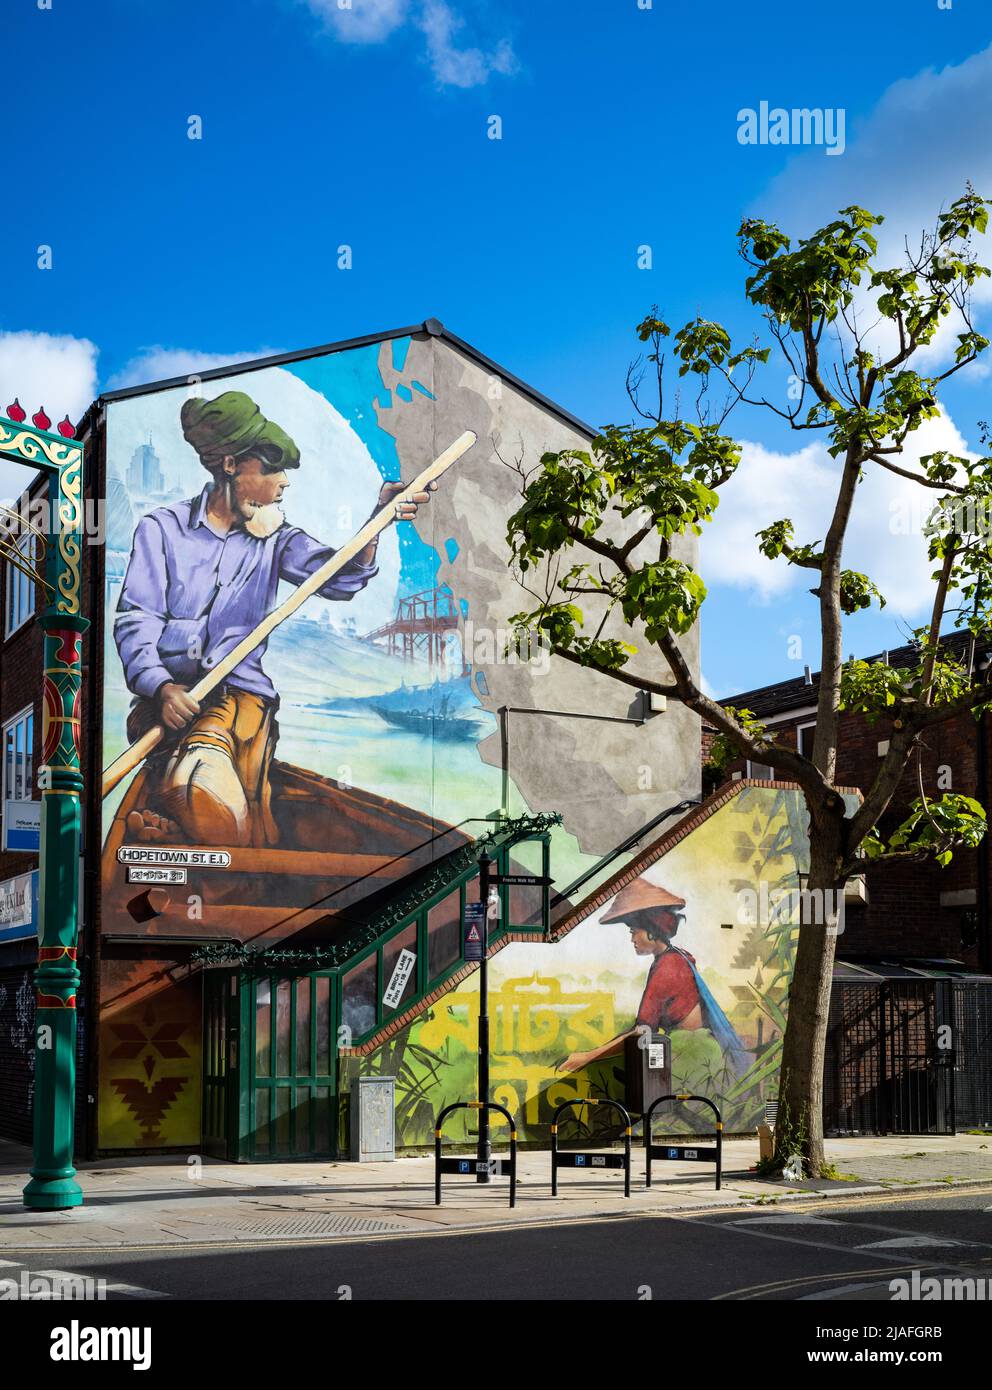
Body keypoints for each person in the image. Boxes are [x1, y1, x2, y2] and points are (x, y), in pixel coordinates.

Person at [114, 390, 434, 848]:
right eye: (270, 469)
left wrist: (377, 522)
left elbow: (338, 578)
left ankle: (198, 805)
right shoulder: (160, 530)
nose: (283, 483)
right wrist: (161, 687)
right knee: (199, 790)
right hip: (165, 709)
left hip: (239, 706)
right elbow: (136, 620)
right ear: (230, 465)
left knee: (203, 784)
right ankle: (197, 814)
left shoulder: (276, 538)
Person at [557, 879, 748, 1073]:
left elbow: (643, 1031)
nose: (631, 939)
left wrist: (588, 1057)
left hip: (690, 1056)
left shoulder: (667, 967)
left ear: (651, 931)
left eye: (634, 932)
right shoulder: (678, 956)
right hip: (699, 1050)